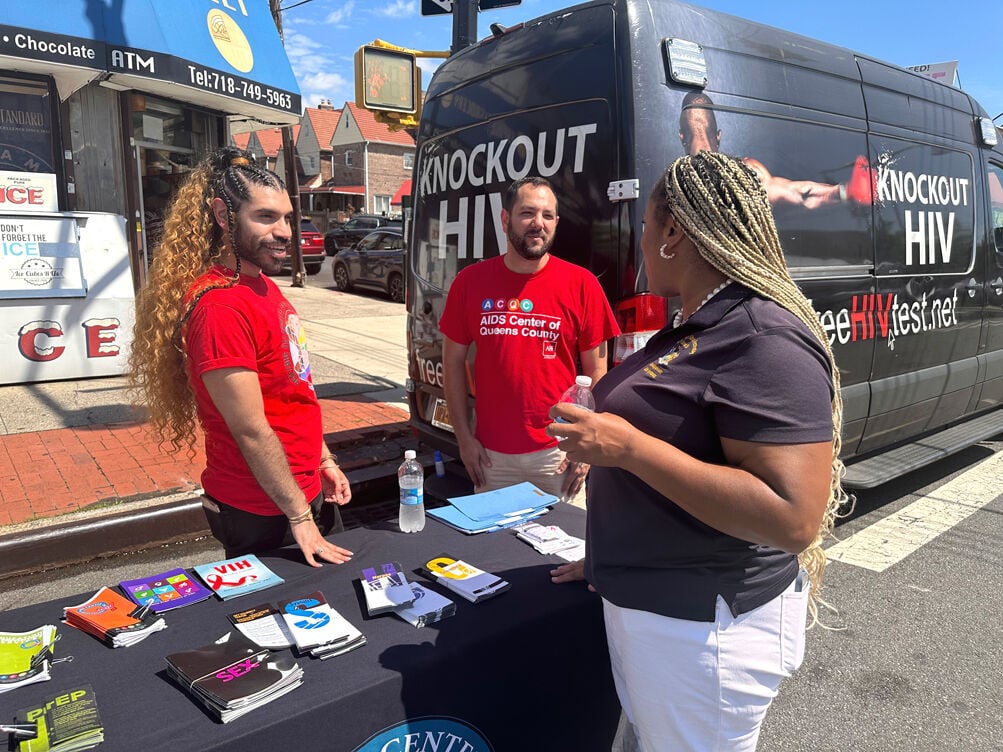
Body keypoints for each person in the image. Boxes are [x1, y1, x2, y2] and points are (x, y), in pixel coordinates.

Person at [549, 152, 847, 751]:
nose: (638, 241)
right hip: (657, 608)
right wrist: (612, 553)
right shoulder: (698, 323)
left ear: (674, 233)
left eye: (645, 226)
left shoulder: (763, 336)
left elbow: (792, 517)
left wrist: (628, 448)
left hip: (706, 635)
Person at [129, 146, 353, 567]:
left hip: (299, 492)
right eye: (266, 217)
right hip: (263, 510)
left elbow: (293, 390)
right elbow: (250, 428)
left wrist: (323, 459)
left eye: (287, 217)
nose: (285, 231)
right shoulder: (220, 307)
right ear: (222, 215)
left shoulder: (262, 286)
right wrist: (299, 516)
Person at [439, 176, 620, 506]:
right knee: (493, 554)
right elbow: (451, 363)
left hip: (559, 456)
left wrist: (586, 446)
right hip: (491, 457)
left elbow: (599, 374)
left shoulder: (582, 285)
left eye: (547, 215)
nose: (538, 224)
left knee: (561, 554)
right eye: (527, 213)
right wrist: (463, 438)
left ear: (556, 223)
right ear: (506, 219)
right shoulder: (470, 283)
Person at [679, 90, 874, 208]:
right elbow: (799, 194)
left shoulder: (670, 186)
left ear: (682, 137)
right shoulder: (743, 174)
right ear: (718, 135)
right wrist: (844, 191)